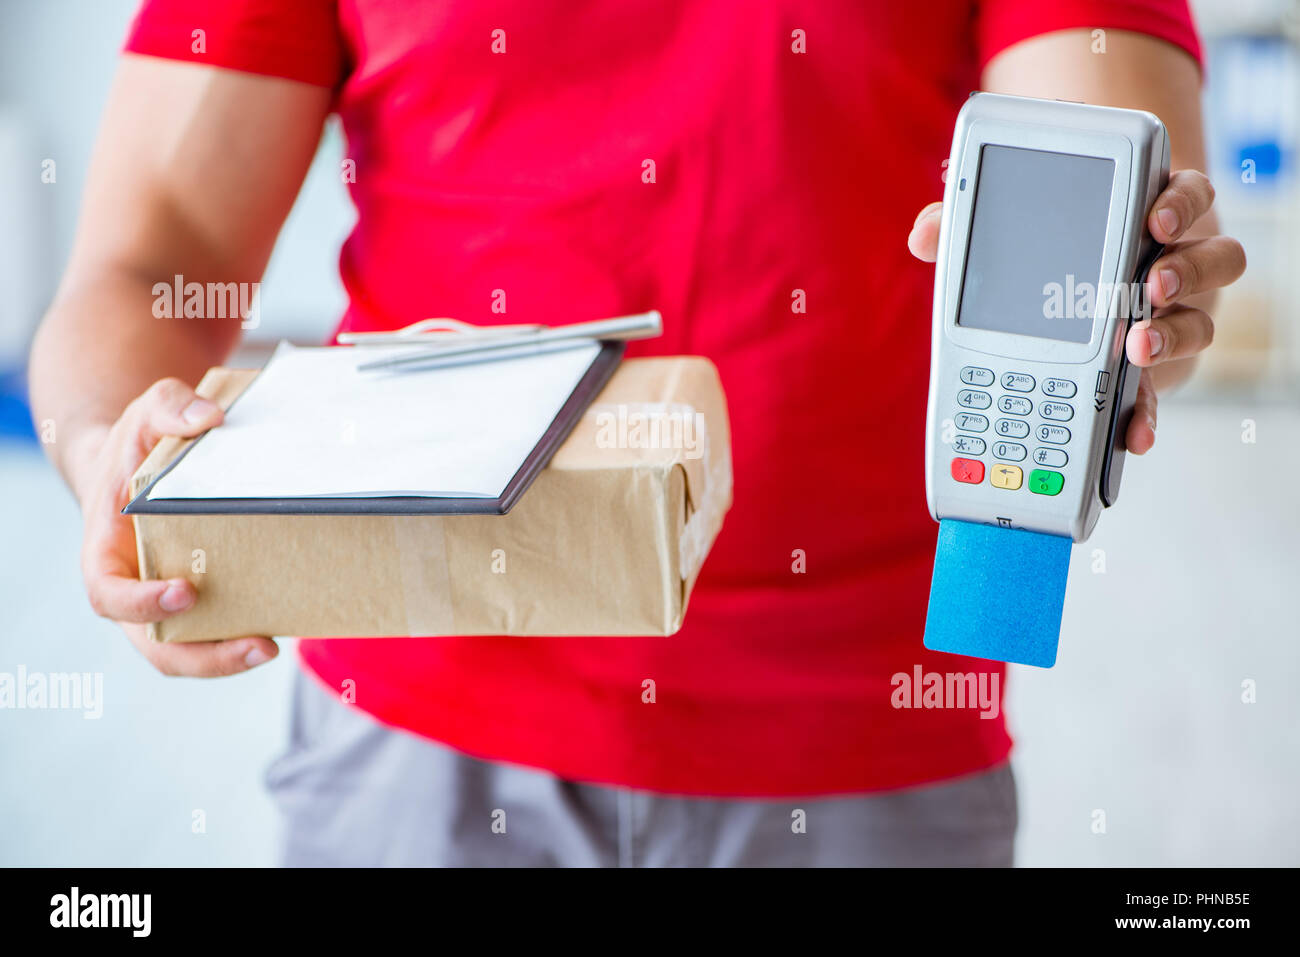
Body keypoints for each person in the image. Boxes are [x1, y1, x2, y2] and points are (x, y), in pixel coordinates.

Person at [29, 0, 1245, 866]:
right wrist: (105, 455)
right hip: (415, 703)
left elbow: (1095, 133)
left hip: (867, 731)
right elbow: (151, 257)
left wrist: (1133, 265)